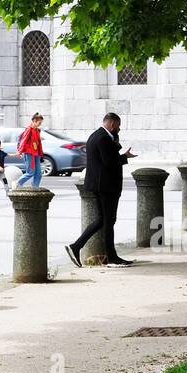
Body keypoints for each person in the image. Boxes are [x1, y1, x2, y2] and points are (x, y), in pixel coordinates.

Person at [66, 112, 135, 267]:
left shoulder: (97, 135)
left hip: (101, 185)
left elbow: (108, 158)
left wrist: (117, 145)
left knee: (103, 220)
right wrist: (125, 157)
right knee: (108, 221)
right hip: (105, 186)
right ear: (112, 124)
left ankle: (77, 246)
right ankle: (111, 258)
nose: (119, 129)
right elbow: (109, 162)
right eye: (118, 125)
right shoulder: (103, 138)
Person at [16, 113, 45, 188]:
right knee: (30, 172)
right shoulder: (29, 129)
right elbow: (23, 141)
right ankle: (18, 183)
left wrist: (40, 153)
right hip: (29, 153)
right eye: (39, 122)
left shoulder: (37, 130)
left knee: (38, 173)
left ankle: (35, 187)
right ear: (34, 121)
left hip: (36, 154)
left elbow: (37, 143)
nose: (40, 124)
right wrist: (20, 152)